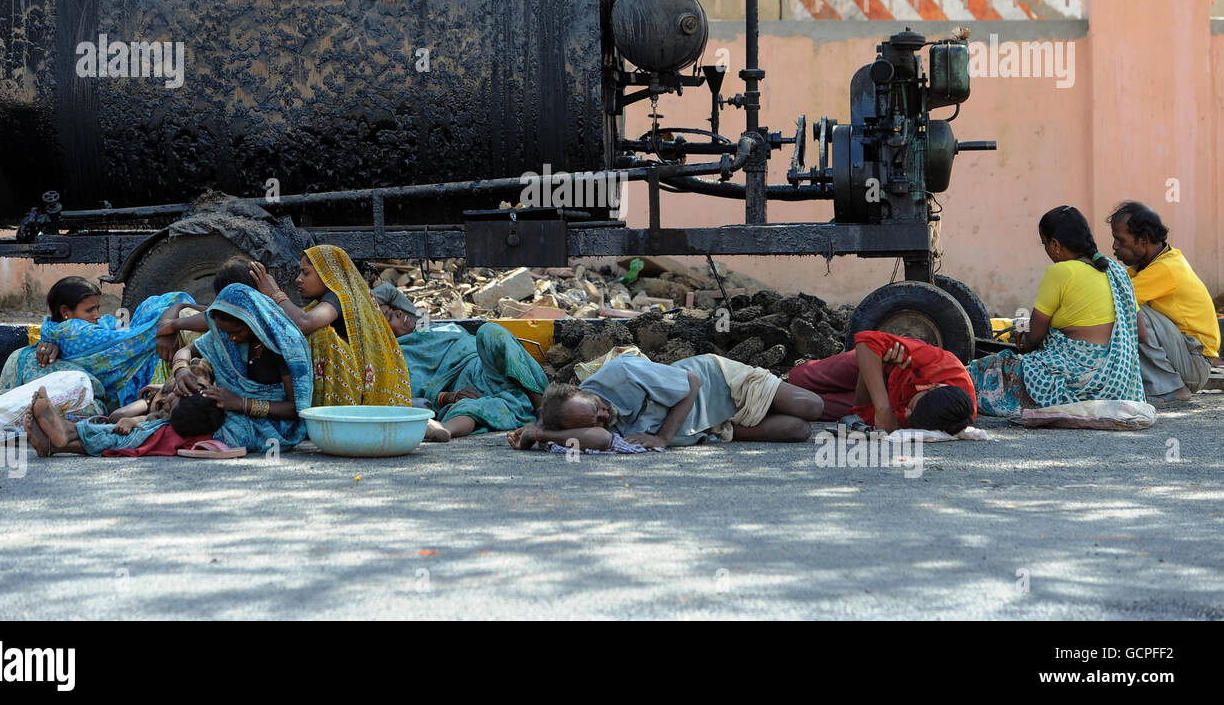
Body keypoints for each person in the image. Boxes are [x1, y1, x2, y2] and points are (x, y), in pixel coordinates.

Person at [967, 205, 1152, 428]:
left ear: (1055, 245)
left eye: (1045, 244)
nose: (1047, 250)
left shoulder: (1061, 272)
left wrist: (1025, 338)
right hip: (1117, 387)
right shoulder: (1117, 272)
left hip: (1074, 381)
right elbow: (1140, 334)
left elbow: (1034, 339)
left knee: (985, 372)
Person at [0, 276, 195, 433]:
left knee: (72, 408)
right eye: (90, 310)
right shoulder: (80, 333)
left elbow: (114, 326)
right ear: (66, 312)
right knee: (87, 412)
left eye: (98, 307)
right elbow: (136, 338)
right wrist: (175, 312)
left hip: (41, 374)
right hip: (65, 383)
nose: (98, 315)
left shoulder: (56, 330)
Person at [507, 352, 824, 451]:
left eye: (597, 408)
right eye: (596, 420)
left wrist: (662, 437)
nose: (604, 416)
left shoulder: (622, 372)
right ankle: (726, 430)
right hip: (707, 425)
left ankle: (809, 376)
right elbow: (600, 438)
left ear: (583, 390)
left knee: (813, 408)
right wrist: (539, 434)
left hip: (719, 382)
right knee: (799, 430)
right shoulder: (572, 419)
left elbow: (693, 383)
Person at [372, 282, 547, 441]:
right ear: (382, 334)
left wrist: (358, 303)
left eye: (394, 309)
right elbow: (413, 391)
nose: (399, 311)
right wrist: (445, 397)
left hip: (491, 365)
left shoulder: (423, 325)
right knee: (470, 407)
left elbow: (388, 291)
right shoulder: (401, 354)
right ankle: (444, 429)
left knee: (491, 332)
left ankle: (543, 413)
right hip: (467, 384)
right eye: (389, 317)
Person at [247, 247, 413, 408]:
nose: (298, 279)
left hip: (359, 390)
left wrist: (274, 292)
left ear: (328, 274)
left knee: (321, 335)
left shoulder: (341, 296)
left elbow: (304, 323)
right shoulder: (327, 300)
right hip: (357, 383)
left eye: (305, 273)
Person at [166, 283, 314, 452]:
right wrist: (181, 370)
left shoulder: (284, 345)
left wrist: (242, 404)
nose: (232, 338)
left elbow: (296, 410)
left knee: (206, 436)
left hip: (275, 423)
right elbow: (185, 351)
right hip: (233, 409)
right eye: (226, 332)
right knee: (187, 420)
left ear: (253, 320)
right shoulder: (225, 335)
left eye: (237, 332)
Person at [1108, 201, 1219, 400]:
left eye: (1120, 240)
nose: (1114, 246)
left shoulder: (1166, 269)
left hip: (1194, 363)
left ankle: (1171, 389)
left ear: (1144, 240)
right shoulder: (1145, 267)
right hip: (1185, 355)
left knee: (1127, 307)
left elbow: (1110, 297)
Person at [787, 335, 977, 434]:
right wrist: (883, 408)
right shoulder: (942, 364)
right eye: (912, 405)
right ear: (933, 386)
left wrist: (878, 408)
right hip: (883, 363)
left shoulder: (940, 419)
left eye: (910, 417)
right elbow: (867, 343)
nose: (906, 413)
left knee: (804, 406)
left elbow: (861, 412)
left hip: (873, 394)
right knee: (798, 378)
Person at [25, 386, 227, 458]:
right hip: (137, 436)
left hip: (132, 441)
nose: (165, 402)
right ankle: (52, 444)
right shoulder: (187, 419)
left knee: (106, 437)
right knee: (105, 434)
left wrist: (129, 422)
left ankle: (66, 432)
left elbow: (144, 424)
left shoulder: (169, 427)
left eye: (171, 403)